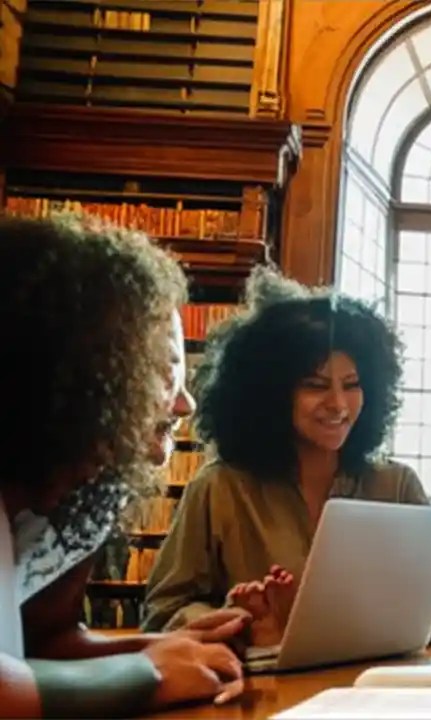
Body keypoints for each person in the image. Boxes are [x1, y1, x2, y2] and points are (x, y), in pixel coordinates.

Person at [141, 269, 431, 646]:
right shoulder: (220, 488)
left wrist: (348, 624)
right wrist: (241, 622)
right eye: (315, 386)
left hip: (373, 691)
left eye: (352, 385)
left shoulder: (396, 485)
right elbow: (164, 613)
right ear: (272, 394)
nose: (338, 404)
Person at [0, 215, 247, 717]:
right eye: (160, 370)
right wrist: (147, 674)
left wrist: (154, 647)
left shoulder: (63, 500)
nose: (184, 406)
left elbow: (42, 648)